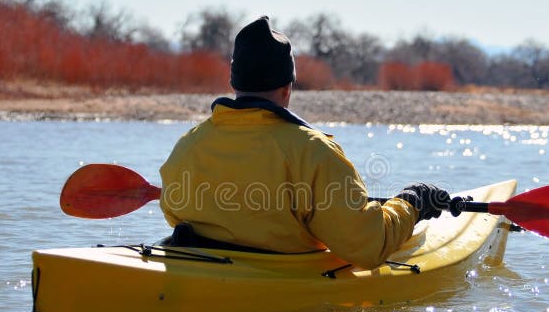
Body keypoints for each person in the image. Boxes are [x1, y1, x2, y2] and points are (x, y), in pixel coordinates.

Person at [159, 16, 450, 269]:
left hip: (200, 277)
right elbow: (367, 247)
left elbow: (173, 212)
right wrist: (411, 203)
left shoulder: (189, 144)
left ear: (234, 83)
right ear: (287, 88)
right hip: (276, 287)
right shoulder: (314, 152)